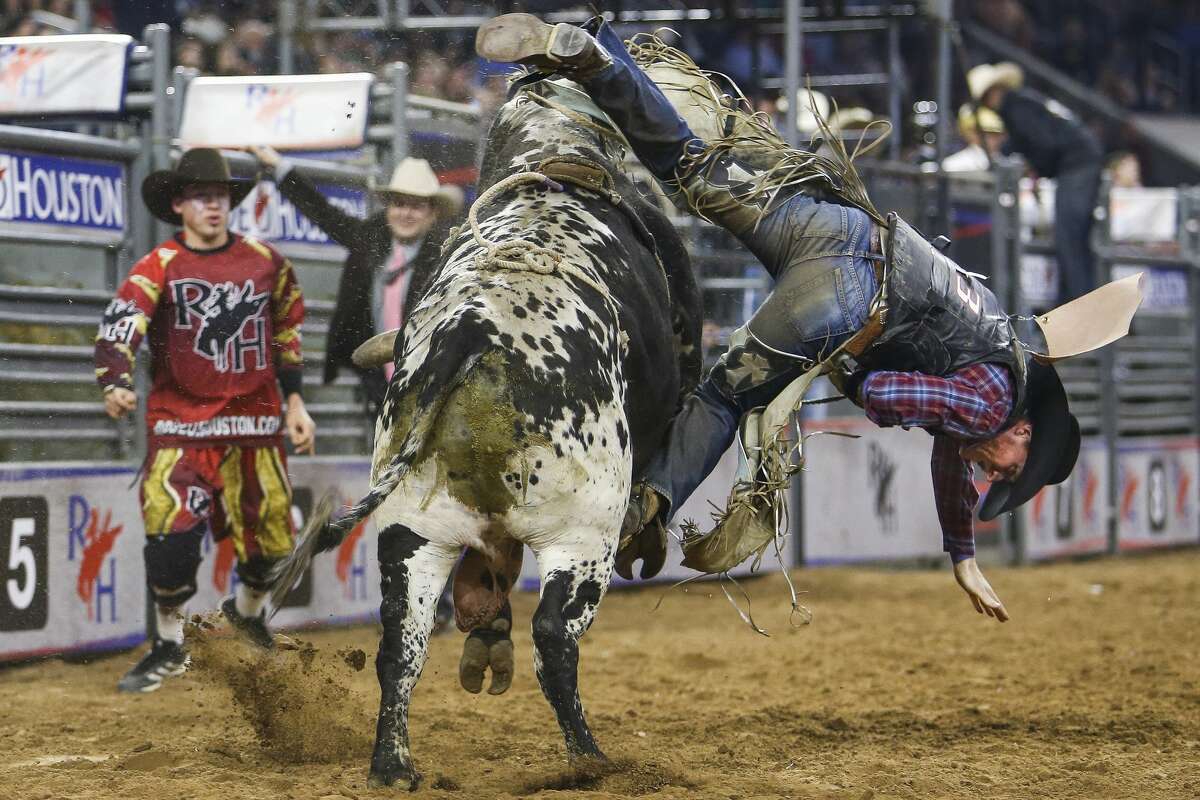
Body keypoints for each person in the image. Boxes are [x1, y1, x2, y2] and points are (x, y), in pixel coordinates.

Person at [476, 15, 1085, 622]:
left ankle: (597, 59)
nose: (991, 476)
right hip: (845, 296)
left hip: (836, 226)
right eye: (1007, 472)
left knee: (691, 169)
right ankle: (644, 511)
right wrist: (850, 376)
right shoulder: (986, 406)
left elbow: (953, 450)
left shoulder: (999, 354)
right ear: (1023, 433)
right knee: (724, 397)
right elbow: (885, 394)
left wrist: (962, 553)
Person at [96, 148, 316, 692]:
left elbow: (288, 331)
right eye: (201, 197)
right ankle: (169, 643)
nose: (213, 206)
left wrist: (295, 403)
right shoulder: (160, 266)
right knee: (170, 543)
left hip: (255, 425)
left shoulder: (267, 261)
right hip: (181, 427)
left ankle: (245, 612)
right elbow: (121, 325)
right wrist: (116, 380)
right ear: (180, 205)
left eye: (219, 196)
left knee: (271, 553)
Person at [249, 147, 456, 412]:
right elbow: (323, 212)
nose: (406, 213)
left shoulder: (445, 257)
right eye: (399, 203)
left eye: (416, 206)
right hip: (374, 378)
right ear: (388, 207)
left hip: (427, 379)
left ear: (433, 213)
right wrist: (279, 167)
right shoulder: (370, 238)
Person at [969, 62, 1103, 303]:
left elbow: (1043, 144)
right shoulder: (1026, 103)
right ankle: (1074, 300)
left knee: (1069, 239)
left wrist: (1035, 166)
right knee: (1074, 239)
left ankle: (1078, 304)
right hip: (1079, 162)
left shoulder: (1016, 109)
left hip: (1076, 165)